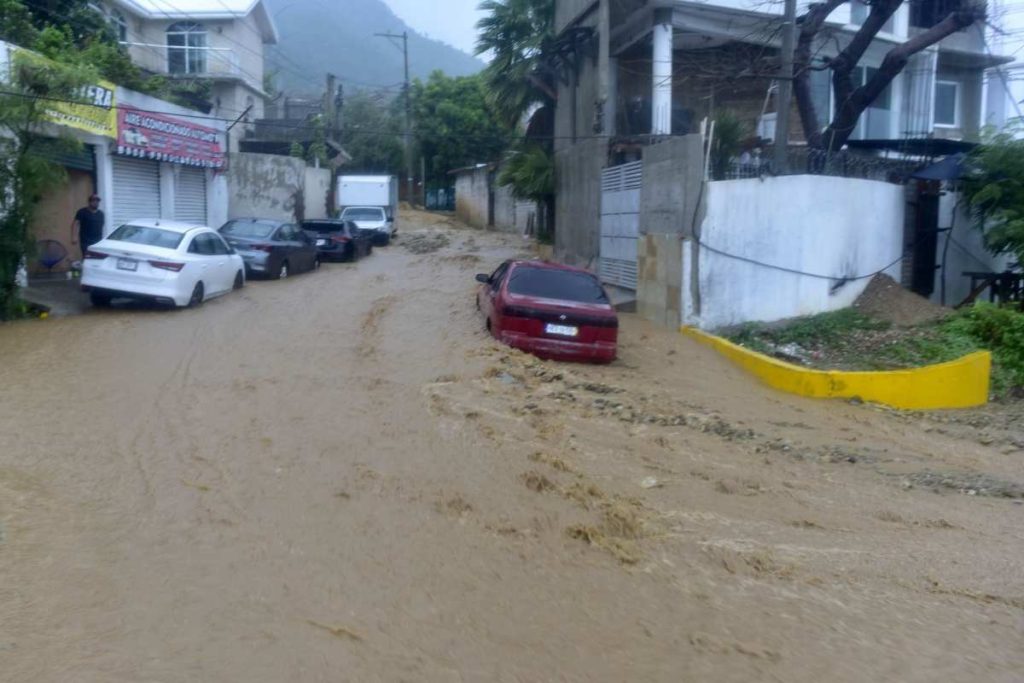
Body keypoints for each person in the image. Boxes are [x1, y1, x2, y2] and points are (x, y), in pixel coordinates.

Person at [72, 194, 105, 262]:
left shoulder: (101, 214)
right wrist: (74, 237)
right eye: (94, 201)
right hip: (85, 241)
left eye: (97, 201)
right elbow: (75, 224)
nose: (96, 203)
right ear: (89, 202)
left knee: (97, 260)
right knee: (87, 259)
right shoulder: (82, 212)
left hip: (98, 242)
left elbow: (101, 226)